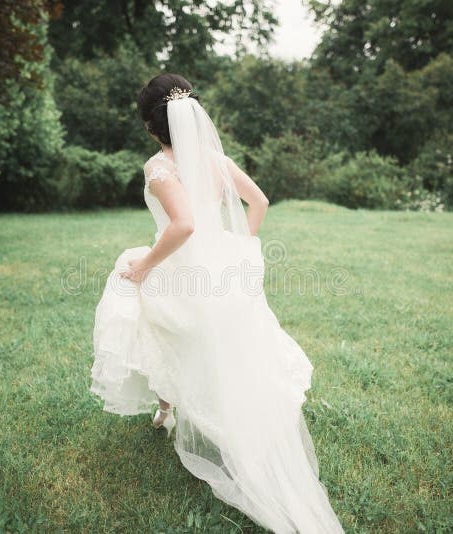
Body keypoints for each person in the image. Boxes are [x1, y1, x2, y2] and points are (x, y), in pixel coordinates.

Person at [90, 73, 344, 533]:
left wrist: (145, 265)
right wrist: (235, 247)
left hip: (183, 266)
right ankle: (168, 409)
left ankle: (169, 409)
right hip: (220, 266)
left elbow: (183, 225)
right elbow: (259, 202)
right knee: (205, 337)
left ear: (149, 125)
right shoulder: (214, 159)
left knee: (143, 303)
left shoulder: (158, 168)